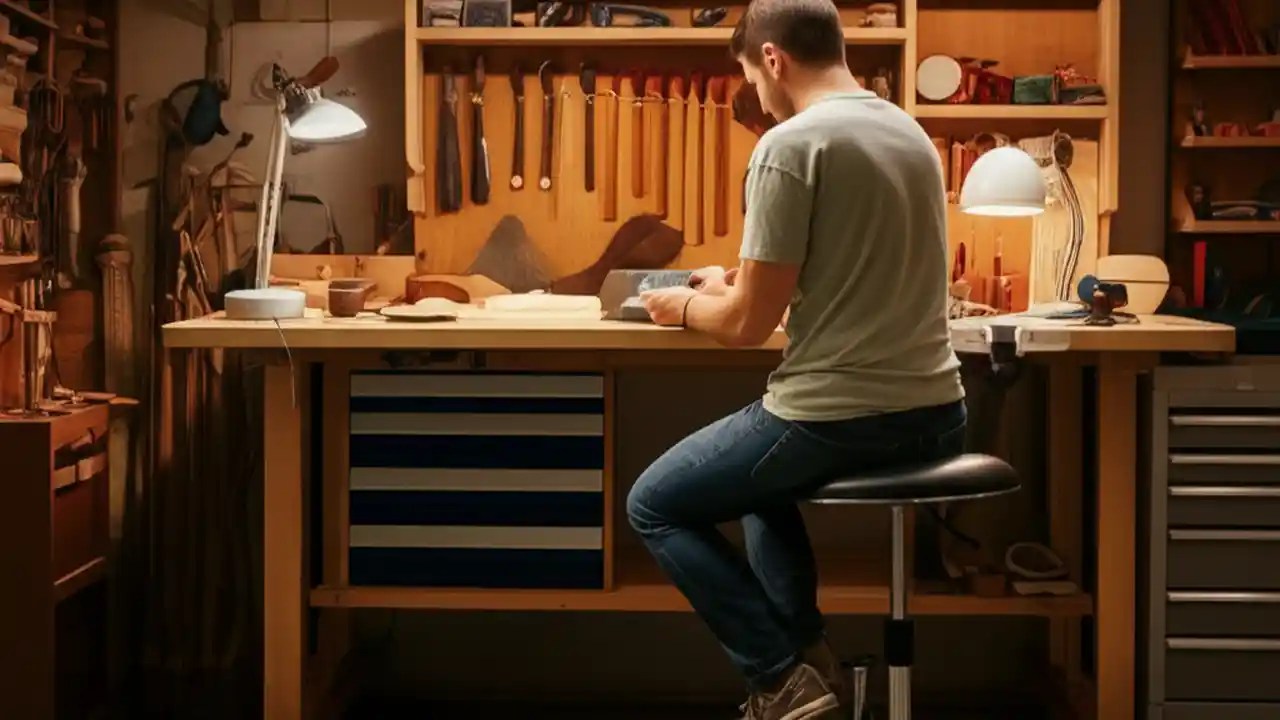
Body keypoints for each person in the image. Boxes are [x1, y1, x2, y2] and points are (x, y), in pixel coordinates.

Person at [627, 0, 967, 717]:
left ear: (773, 59)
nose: (757, 94)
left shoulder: (790, 145)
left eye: (752, 77)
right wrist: (733, 280)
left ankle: (778, 676)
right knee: (756, 479)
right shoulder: (906, 130)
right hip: (937, 413)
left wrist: (683, 305)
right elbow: (812, 277)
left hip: (841, 417)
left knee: (654, 504)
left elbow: (749, 327)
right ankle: (812, 667)